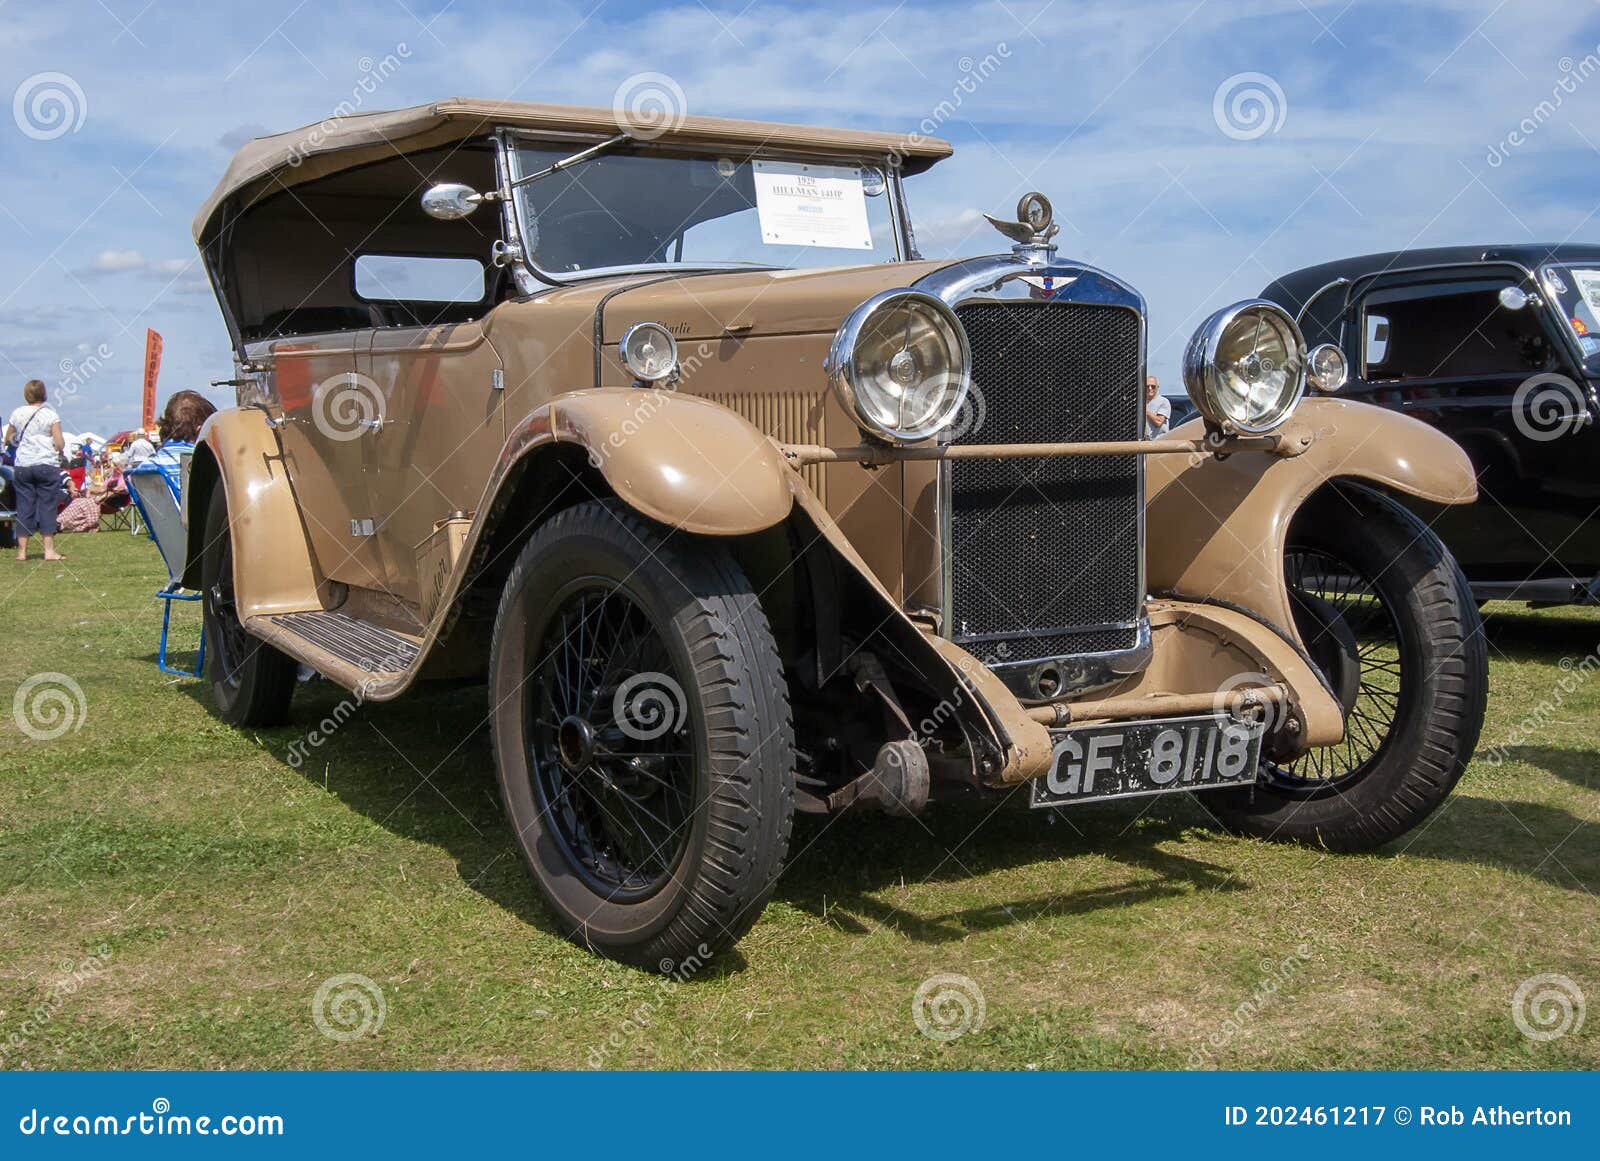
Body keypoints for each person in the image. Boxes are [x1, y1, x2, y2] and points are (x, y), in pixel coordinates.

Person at [4, 379, 67, 561]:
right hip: (45, 464)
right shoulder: (50, 415)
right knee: (47, 506)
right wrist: (52, 444)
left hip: (23, 465)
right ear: (44, 394)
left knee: (24, 506)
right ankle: (49, 551)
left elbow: (8, 438)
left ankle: (22, 551)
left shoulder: (17, 413)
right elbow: (60, 443)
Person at [1144, 375, 1171, 439]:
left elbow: (1158, 422)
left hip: (1159, 442)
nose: (1150, 388)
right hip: (1143, 442)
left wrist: (1144, 411)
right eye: (1147, 386)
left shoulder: (1163, 401)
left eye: (1153, 386)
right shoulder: (1140, 402)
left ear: (1157, 387)